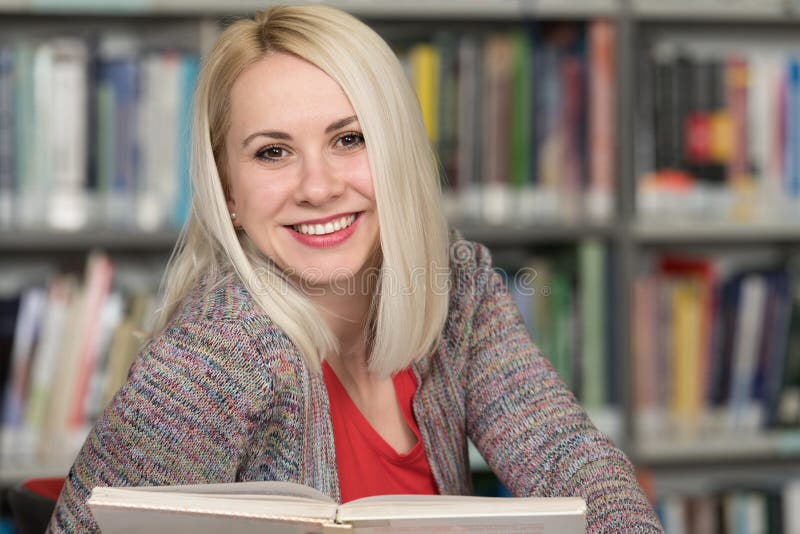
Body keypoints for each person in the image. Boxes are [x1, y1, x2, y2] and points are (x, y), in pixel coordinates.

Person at [48, 5, 663, 532]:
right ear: (228, 190)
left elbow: (570, 461)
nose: (317, 187)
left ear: (395, 151)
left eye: (349, 139)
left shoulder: (457, 290)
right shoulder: (212, 356)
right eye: (273, 152)